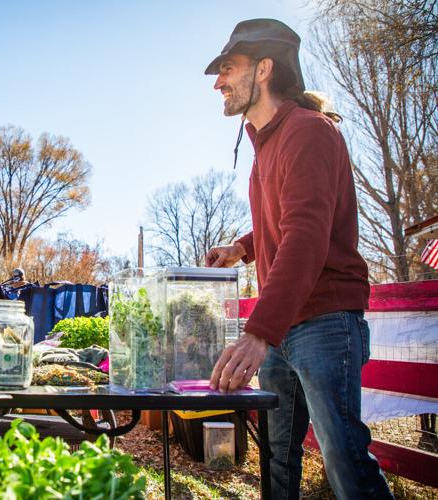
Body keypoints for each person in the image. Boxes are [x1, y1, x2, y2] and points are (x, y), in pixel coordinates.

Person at [203, 19, 393, 499]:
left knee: (344, 458)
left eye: (228, 68)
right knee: (277, 461)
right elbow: (289, 217)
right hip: (285, 325)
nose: (218, 82)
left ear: (264, 69)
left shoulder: (308, 132)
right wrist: (243, 247)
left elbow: (306, 237)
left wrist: (257, 333)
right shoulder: (266, 146)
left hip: (325, 323)